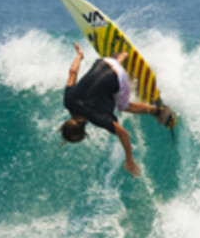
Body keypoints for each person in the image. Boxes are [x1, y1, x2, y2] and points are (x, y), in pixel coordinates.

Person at [61, 42, 173, 177]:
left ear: (83, 131)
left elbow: (123, 133)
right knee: (105, 76)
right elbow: (72, 73)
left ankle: (158, 110)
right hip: (104, 62)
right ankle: (121, 56)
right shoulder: (68, 100)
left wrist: (129, 159)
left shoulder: (96, 118)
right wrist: (79, 55)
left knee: (124, 107)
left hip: (120, 76)